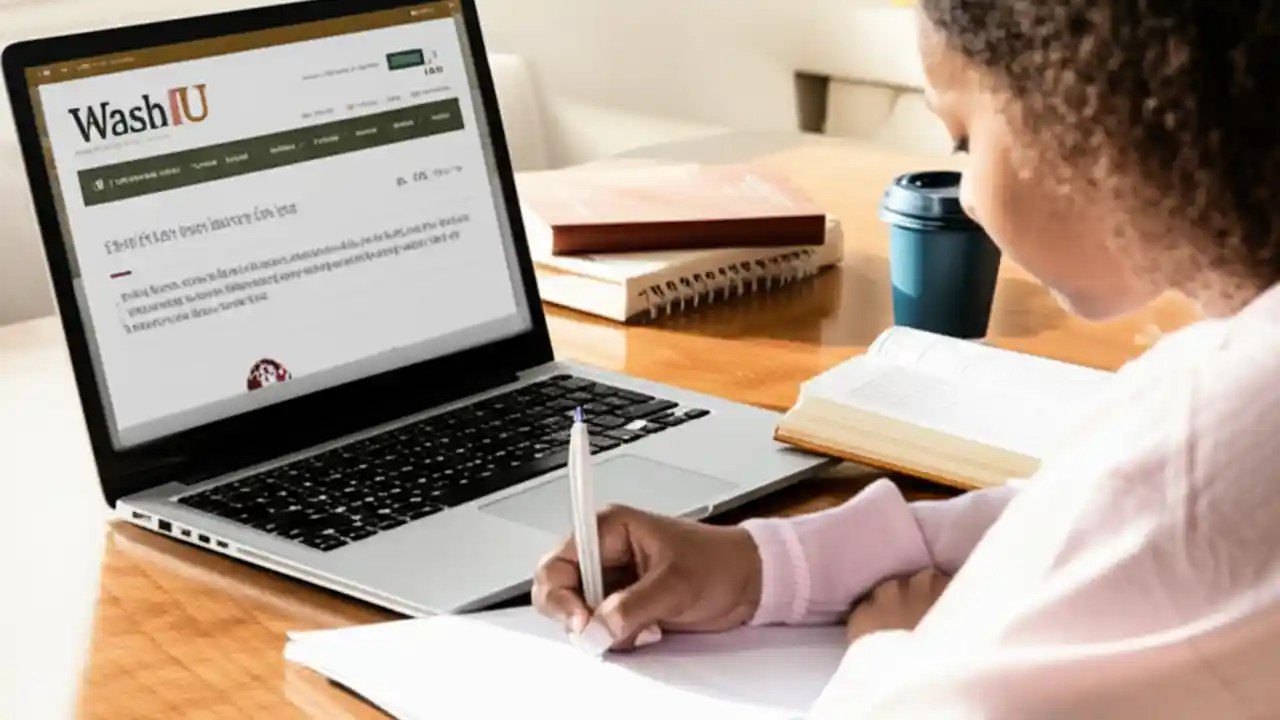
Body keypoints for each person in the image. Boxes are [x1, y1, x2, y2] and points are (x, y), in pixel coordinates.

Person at [533, 1, 1280, 717]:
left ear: (1091, 100)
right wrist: (765, 566)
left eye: (962, 139)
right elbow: (1082, 521)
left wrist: (890, 650)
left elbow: (1137, 524)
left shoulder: (1213, 441)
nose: (971, 198)